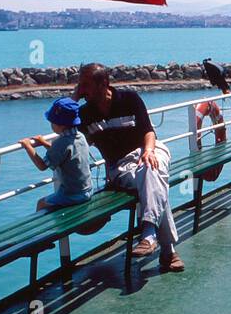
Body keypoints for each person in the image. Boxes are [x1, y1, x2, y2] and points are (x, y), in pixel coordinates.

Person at [74, 62, 184, 273]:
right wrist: (73, 99)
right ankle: (167, 250)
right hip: (121, 167)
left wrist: (148, 151)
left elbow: (149, 132)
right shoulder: (85, 113)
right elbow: (63, 131)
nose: (82, 90)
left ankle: (150, 234)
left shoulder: (129, 99)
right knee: (154, 180)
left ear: (103, 83)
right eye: (80, 85)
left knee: (151, 168)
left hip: (150, 150)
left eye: (85, 84)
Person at [20, 97, 94, 211]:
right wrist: (44, 143)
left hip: (73, 195)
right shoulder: (80, 137)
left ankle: (46, 229)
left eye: (52, 122)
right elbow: (65, 153)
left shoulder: (61, 142)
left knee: (41, 204)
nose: (51, 125)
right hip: (88, 190)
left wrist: (28, 146)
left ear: (60, 124)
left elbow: (42, 166)